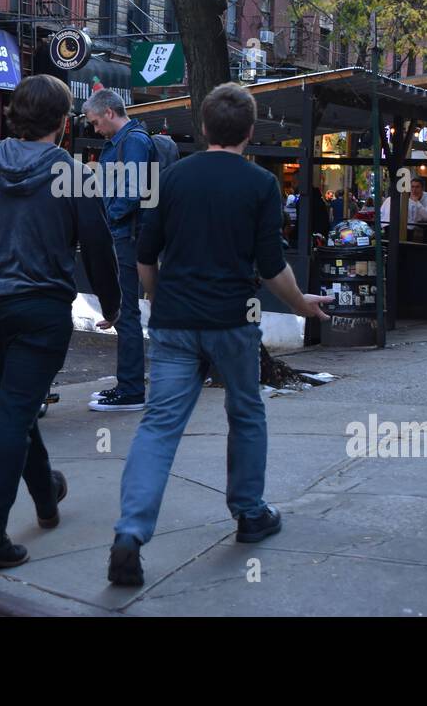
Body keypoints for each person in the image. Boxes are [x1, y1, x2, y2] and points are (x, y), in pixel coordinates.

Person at [108, 83, 331, 587]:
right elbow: (273, 268)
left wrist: (154, 297)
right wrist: (302, 305)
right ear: (250, 132)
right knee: (246, 412)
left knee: (160, 426)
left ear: (203, 128)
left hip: (175, 323)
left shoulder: (172, 179)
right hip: (233, 320)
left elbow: (146, 254)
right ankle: (249, 513)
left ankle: (130, 533)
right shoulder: (260, 186)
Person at [0, 75, 121, 573]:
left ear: (14, 115)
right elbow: (98, 244)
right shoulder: (72, 171)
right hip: (42, 312)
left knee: (18, 405)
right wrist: (113, 305)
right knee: (17, 412)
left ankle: (46, 495)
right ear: (62, 124)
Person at [82, 89, 153, 412]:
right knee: (125, 314)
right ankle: (128, 385)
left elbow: (131, 192)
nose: (95, 130)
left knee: (126, 314)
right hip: (123, 234)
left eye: (96, 123)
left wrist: (105, 222)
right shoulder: (123, 143)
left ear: (109, 112)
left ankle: (131, 390)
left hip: (126, 236)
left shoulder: (133, 142)